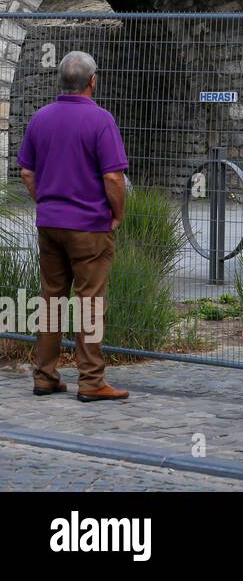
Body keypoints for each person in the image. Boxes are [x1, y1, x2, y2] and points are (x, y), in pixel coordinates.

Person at [17, 51, 129, 402]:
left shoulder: (41, 118)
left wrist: (45, 202)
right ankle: (92, 380)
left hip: (50, 224)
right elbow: (113, 176)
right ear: (93, 80)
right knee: (90, 303)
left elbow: (26, 171)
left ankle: (45, 375)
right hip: (89, 227)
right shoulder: (100, 120)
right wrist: (116, 214)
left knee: (51, 299)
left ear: (62, 81)